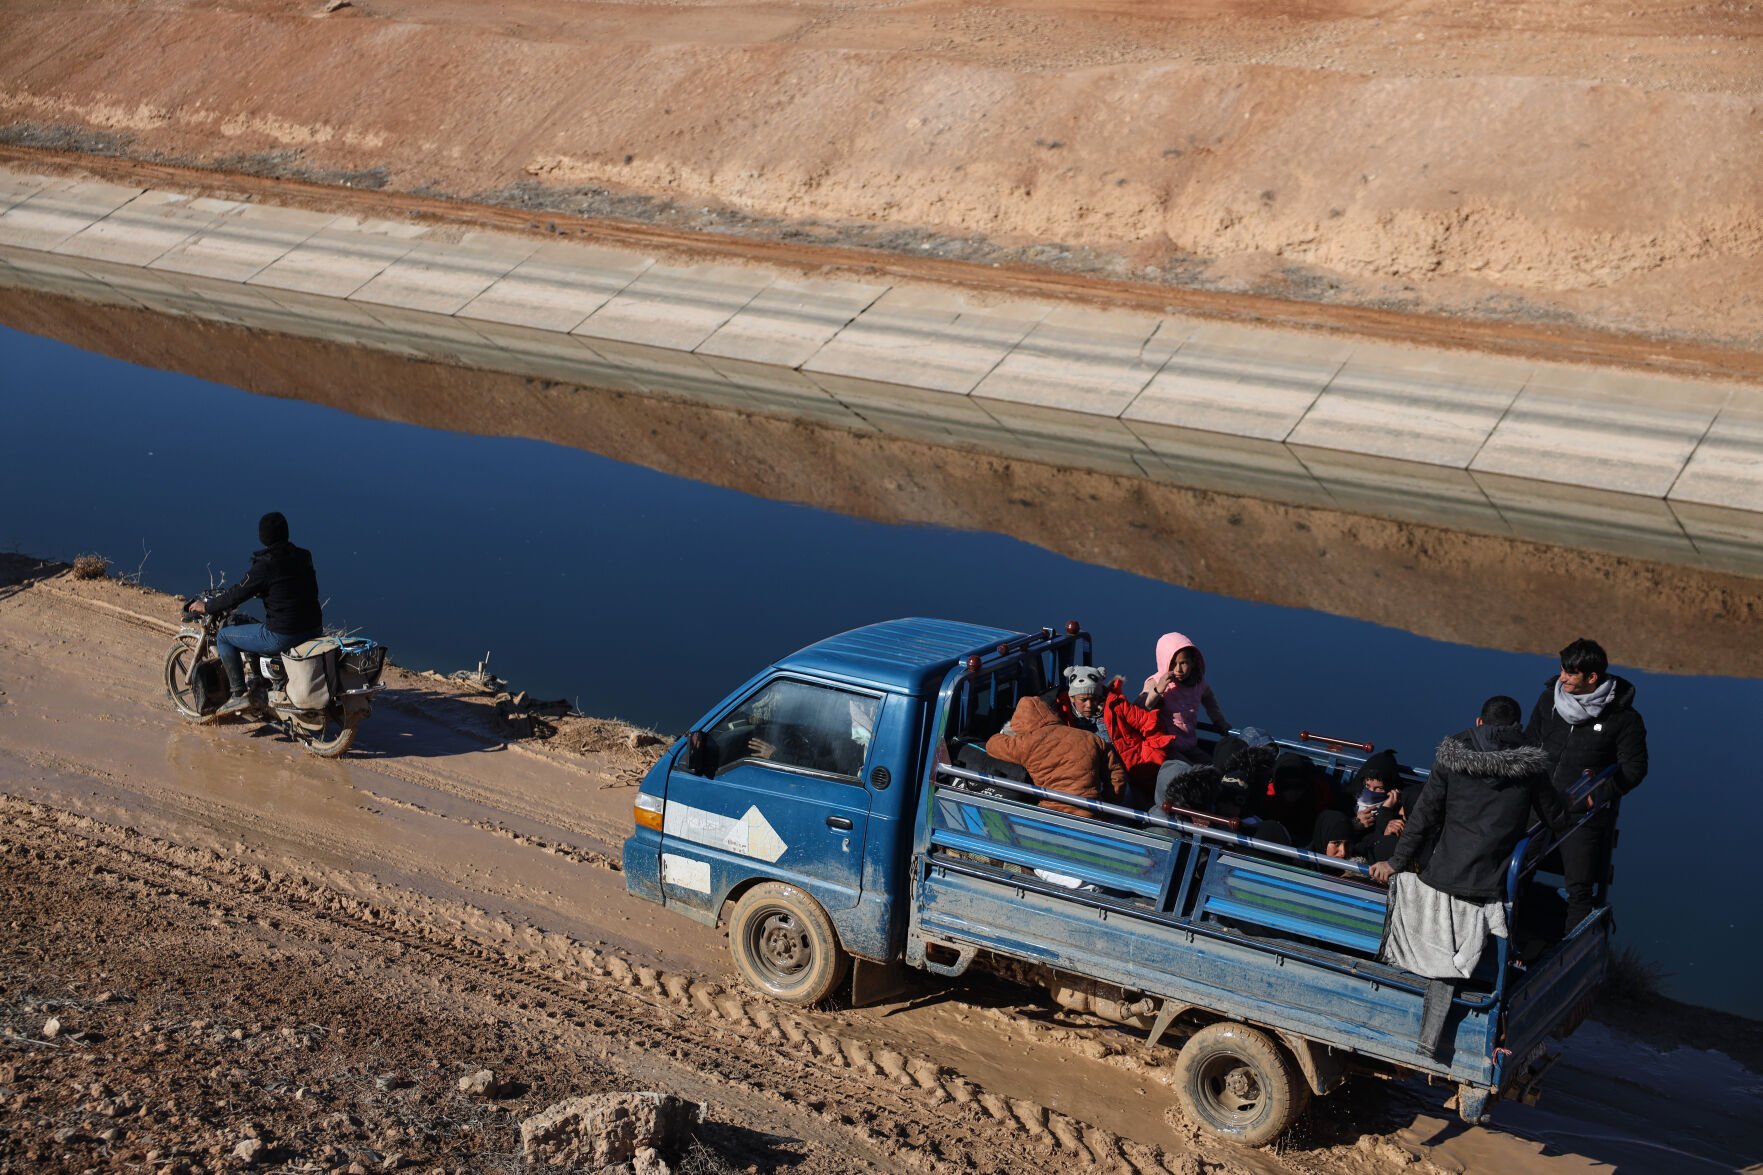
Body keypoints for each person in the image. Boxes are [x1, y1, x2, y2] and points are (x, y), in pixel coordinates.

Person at [1371, 696, 1570, 1056]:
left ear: (1479, 723)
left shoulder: (1453, 756)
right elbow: (1556, 818)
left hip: (1443, 876)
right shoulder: (1530, 767)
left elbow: (1424, 816)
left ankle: (1429, 1039)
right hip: (1490, 884)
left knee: (1445, 965)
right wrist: (1574, 801)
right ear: (1517, 727)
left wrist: (1397, 862)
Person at [1524, 638, 1649, 935]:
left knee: (1579, 889)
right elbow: (1529, 743)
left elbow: (1634, 769)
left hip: (1581, 816)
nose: (1562, 678)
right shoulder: (1549, 700)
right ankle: (1514, 942)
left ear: (1592, 677)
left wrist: (1596, 798)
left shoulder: (1623, 718)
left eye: (1570, 673)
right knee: (1517, 874)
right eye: (1562, 670)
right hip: (1539, 805)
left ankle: (1568, 952)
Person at [190, 512, 323, 717]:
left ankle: (238, 695)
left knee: (224, 637)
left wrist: (207, 607)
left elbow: (237, 594)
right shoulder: (304, 556)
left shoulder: (265, 565)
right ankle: (263, 681)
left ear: (263, 537)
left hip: (283, 635)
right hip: (313, 628)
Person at [986, 695, 1128, 818]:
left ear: (1021, 723)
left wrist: (1008, 732)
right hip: (1091, 812)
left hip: (1053, 813)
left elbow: (992, 744)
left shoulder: (1027, 743)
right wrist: (1108, 802)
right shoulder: (1090, 738)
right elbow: (1116, 774)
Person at [1057, 665, 1172, 808]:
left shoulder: (1116, 705)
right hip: (1095, 774)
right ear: (1072, 698)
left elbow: (1149, 723)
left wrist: (1152, 756)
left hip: (1129, 771)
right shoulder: (1063, 712)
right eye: (1083, 699)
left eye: (1094, 698)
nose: (1089, 705)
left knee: (1133, 802)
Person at [1139, 632, 1228, 761]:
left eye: (1183, 663)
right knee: (1188, 769)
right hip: (1166, 747)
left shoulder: (1198, 683)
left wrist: (1219, 721)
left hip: (1190, 745)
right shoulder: (1156, 682)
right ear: (1164, 662)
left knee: (1212, 766)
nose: (1178, 669)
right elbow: (1140, 708)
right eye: (1173, 664)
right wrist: (1158, 690)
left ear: (1192, 662)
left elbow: (1210, 702)